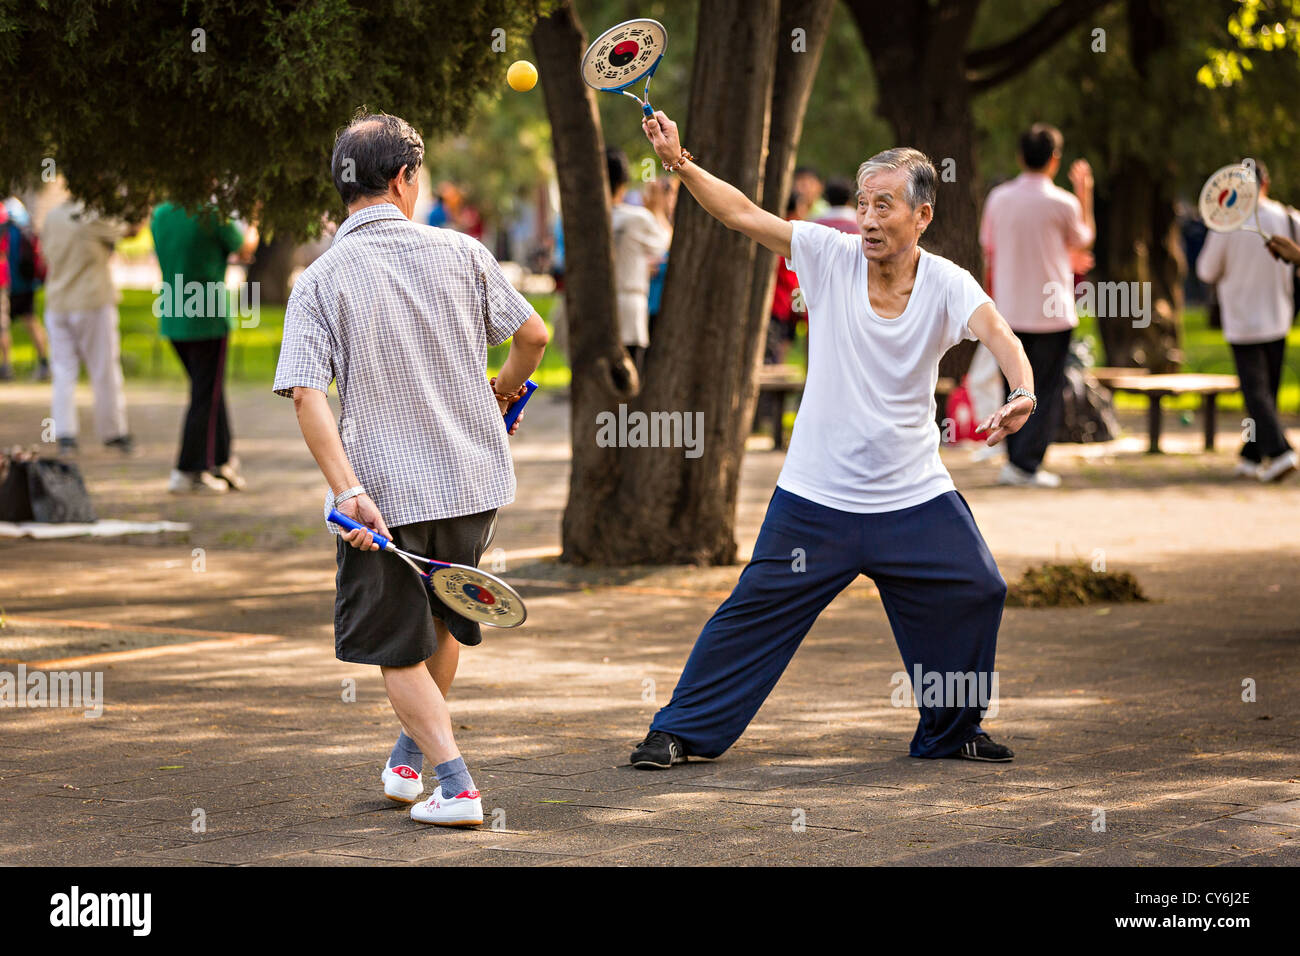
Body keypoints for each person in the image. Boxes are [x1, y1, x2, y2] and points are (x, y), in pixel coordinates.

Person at [631, 108, 1035, 769]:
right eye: (863, 203)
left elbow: (1003, 337)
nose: (869, 219)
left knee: (978, 588)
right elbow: (740, 214)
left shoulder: (946, 282)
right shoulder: (826, 254)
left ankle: (953, 729)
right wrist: (678, 162)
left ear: (922, 216)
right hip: (817, 500)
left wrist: (1023, 391)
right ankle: (679, 732)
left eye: (886, 206)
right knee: (754, 611)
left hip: (913, 499)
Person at [273, 112, 548, 827]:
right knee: (443, 621)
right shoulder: (461, 252)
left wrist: (348, 491)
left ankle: (456, 784)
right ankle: (409, 758)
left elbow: (307, 393)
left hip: (387, 495)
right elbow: (534, 335)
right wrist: (504, 389)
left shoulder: (319, 279)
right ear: (403, 179)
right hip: (472, 480)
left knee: (398, 647)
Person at [980, 123, 1094, 488]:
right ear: (1054, 159)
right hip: (1052, 312)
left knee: (1011, 386)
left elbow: (990, 248)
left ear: (1019, 156)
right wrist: (1085, 193)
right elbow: (1084, 240)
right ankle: (1027, 464)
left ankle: (1014, 457)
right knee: (1043, 389)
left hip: (1009, 310)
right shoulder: (1063, 202)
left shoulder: (998, 198)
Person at [1196, 161, 1299, 482]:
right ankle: (1252, 456)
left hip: (1241, 321)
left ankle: (1280, 453)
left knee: (1256, 393)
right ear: (1265, 182)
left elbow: (1206, 271)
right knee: (1265, 391)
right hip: (1280, 315)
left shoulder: (1226, 225)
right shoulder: (1289, 219)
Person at [151, 201, 259, 493]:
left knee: (208, 390)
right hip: (207, 317)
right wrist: (256, 222)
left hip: (174, 315)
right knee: (204, 394)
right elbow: (245, 248)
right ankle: (189, 469)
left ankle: (221, 460)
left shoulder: (160, 214)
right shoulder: (211, 213)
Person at [40, 198, 140, 456]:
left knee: (63, 371)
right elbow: (130, 229)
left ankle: (65, 434)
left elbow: (44, 253)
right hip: (91, 300)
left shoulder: (52, 216)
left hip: (58, 300)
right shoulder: (91, 216)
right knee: (104, 367)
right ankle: (113, 431)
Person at [607, 148, 670, 374]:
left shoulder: (586, 220)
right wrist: (657, 209)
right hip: (629, 310)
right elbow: (666, 241)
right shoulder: (637, 218)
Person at [1, 198, 51, 382]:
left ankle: (6, 367)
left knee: (3, 327)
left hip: (10, 284)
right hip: (28, 284)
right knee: (31, 321)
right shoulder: (25, 228)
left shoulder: (7, 230)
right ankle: (44, 363)